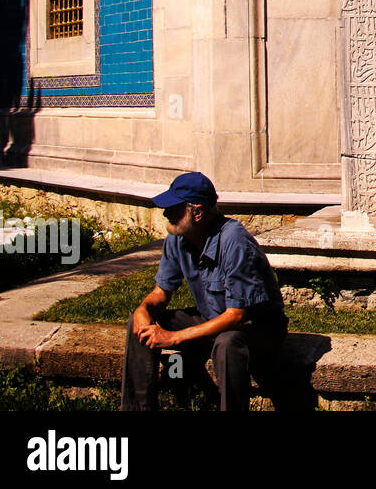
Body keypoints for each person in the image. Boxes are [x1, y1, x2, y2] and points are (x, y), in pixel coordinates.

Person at [121, 171, 288, 411]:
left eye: (173, 209)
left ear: (197, 212)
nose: (166, 214)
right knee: (140, 324)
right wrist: (143, 309)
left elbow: (236, 316)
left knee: (227, 344)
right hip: (213, 318)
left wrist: (173, 337)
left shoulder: (234, 241)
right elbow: (161, 293)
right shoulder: (178, 237)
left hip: (256, 328)